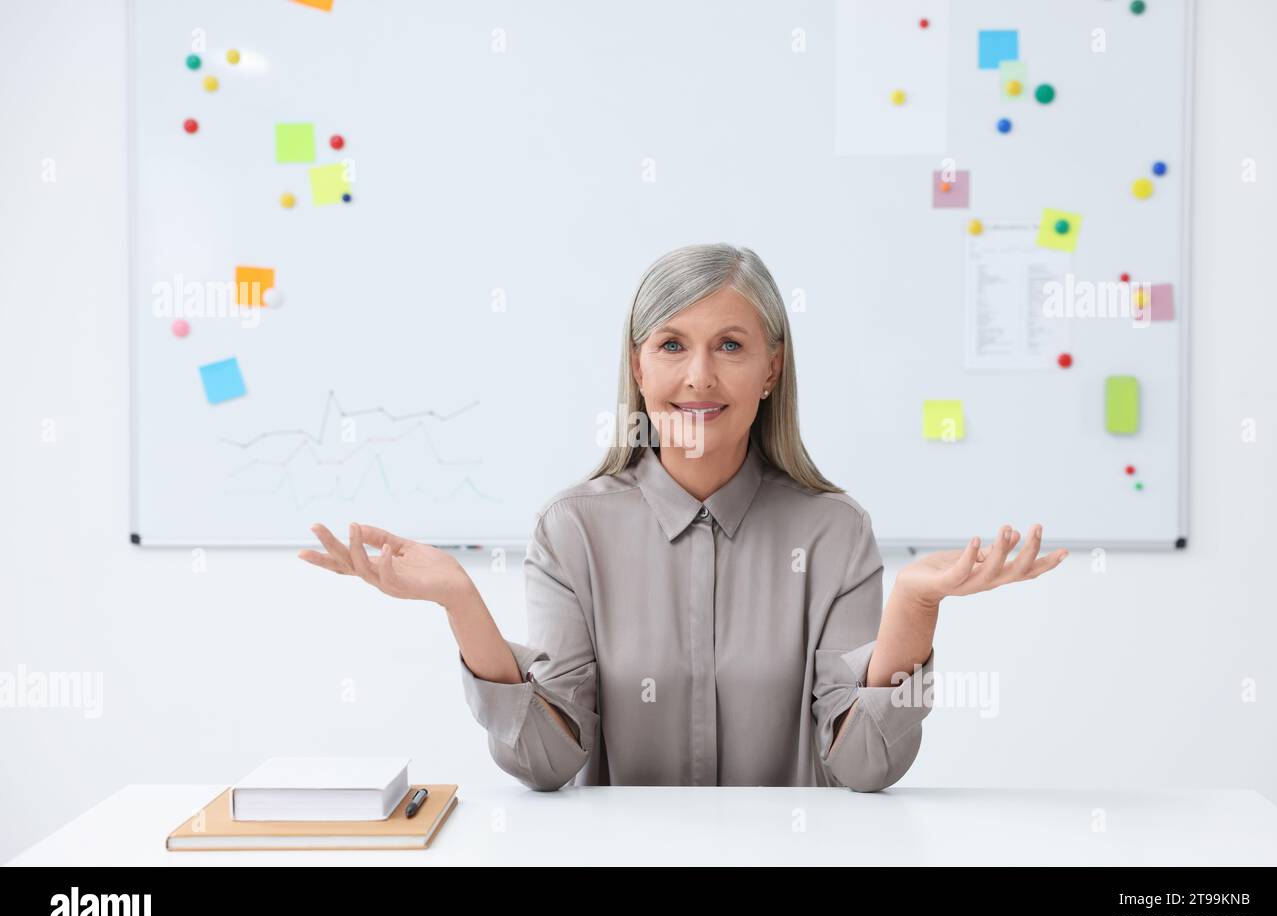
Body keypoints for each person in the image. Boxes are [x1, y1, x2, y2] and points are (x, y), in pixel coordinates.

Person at [298, 242, 1067, 791]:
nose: (698, 376)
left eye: (730, 345)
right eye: (672, 344)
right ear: (639, 366)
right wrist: (460, 603)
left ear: (770, 368)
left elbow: (864, 766)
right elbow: (546, 763)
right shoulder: (573, 530)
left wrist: (915, 604)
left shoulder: (835, 532)